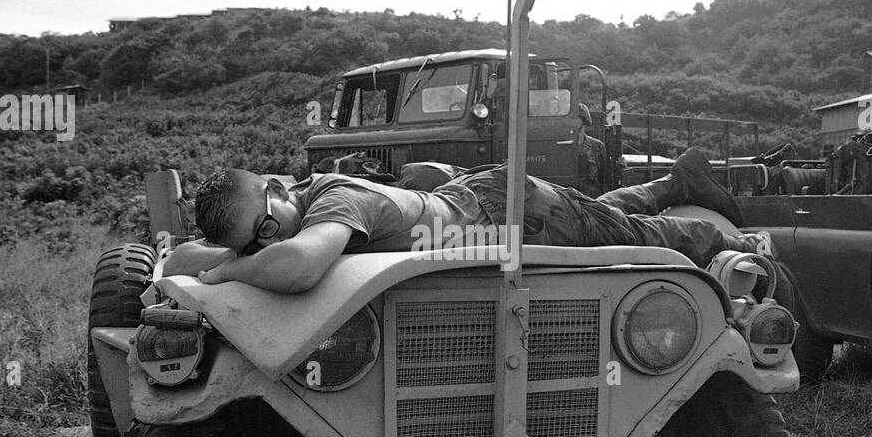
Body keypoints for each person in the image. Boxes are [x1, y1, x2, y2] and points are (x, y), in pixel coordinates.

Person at [163, 150, 760, 294]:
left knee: (636, 237)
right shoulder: (290, 208)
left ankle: (732, 236)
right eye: (252, 245)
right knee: (603, 215)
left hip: (513, 216)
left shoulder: (331, 202)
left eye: (266, 229)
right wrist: (230, 256)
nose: (270, 242)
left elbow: (301, 264)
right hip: (480, 201)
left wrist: (223, 274)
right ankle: (672, 181)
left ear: (276, 189)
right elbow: (178, 257)